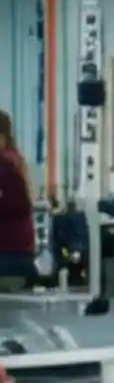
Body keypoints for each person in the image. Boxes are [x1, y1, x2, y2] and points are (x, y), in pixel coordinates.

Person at [0, 110, 36, 291]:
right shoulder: (15, 163)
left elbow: (14, 207)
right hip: (20, 255)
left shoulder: (6, 169)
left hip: (9, 256)